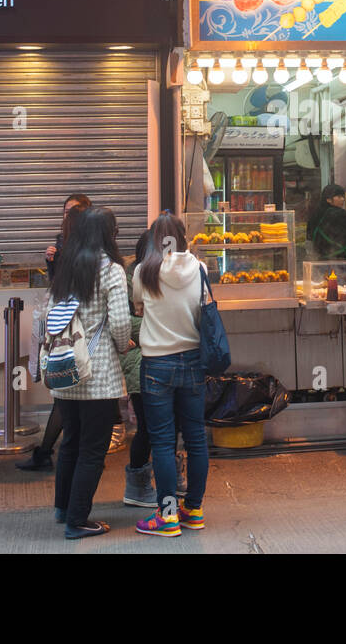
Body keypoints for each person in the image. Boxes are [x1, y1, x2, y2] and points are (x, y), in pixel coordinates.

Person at [46, 206, 132, 538]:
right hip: (97, 374)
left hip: (66, 369)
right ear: (109, 235)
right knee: (93, 449)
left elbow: (53, 317)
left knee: (71, 441)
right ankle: (78, 521)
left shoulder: (67, 267)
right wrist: (124, 344)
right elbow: (121, 323)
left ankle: (63, 508)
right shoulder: (111, 271)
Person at [133, 213, 209, 537]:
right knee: (196, 438)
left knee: (163, 442)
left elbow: (138, 308)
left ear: (155, 240)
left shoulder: (144, 271)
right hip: (193, 360)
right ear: (183, 237)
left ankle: (167, 516)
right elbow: (203, 306)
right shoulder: (201, 269)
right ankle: (193, 509)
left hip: (157, 365)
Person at [18, 196, 92, 472]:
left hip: (78, 332)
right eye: (65, 212)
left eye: (72, 213)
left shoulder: (90, 250)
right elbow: (58, 284)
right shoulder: (62, 243)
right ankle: (62, 452)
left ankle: (56, 453)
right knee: (68, 395)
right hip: (66, 329)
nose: (67, 218)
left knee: (67, 395)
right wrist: (51, 262)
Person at [122, 231, 158, 508]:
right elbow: (126, 327)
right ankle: (137, 485)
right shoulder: (127, 278)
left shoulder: (168, 275)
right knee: (147, 428)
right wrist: (158, 325)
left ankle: (170, 480)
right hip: (138, 362)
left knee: (169, 427)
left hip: (162, 359)